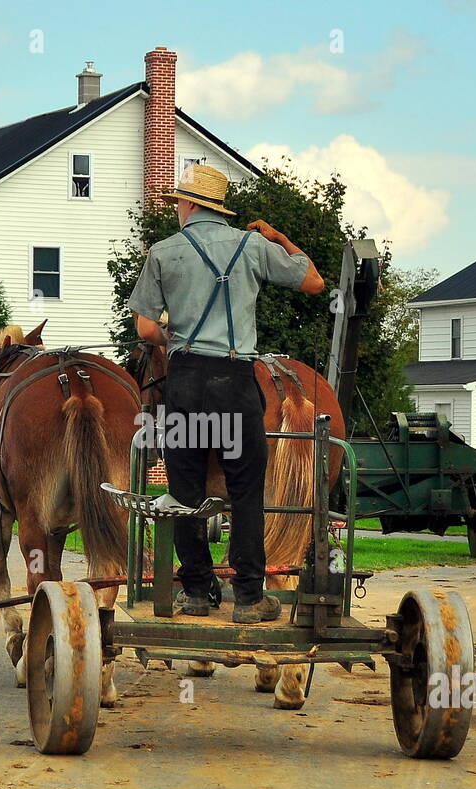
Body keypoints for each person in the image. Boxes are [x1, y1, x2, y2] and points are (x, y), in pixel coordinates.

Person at [127, 163, 325, 623]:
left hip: (186, 381)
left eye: (179, 201)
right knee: (246, 491)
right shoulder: (253, 245)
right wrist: (279, 237)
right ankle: (251, 599)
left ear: (191, 205)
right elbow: (313, 281)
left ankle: (196, 591)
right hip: (236, 381)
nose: (177, 208)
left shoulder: (163, 252)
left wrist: (176, 335)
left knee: (184, 491)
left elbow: (144, 326)